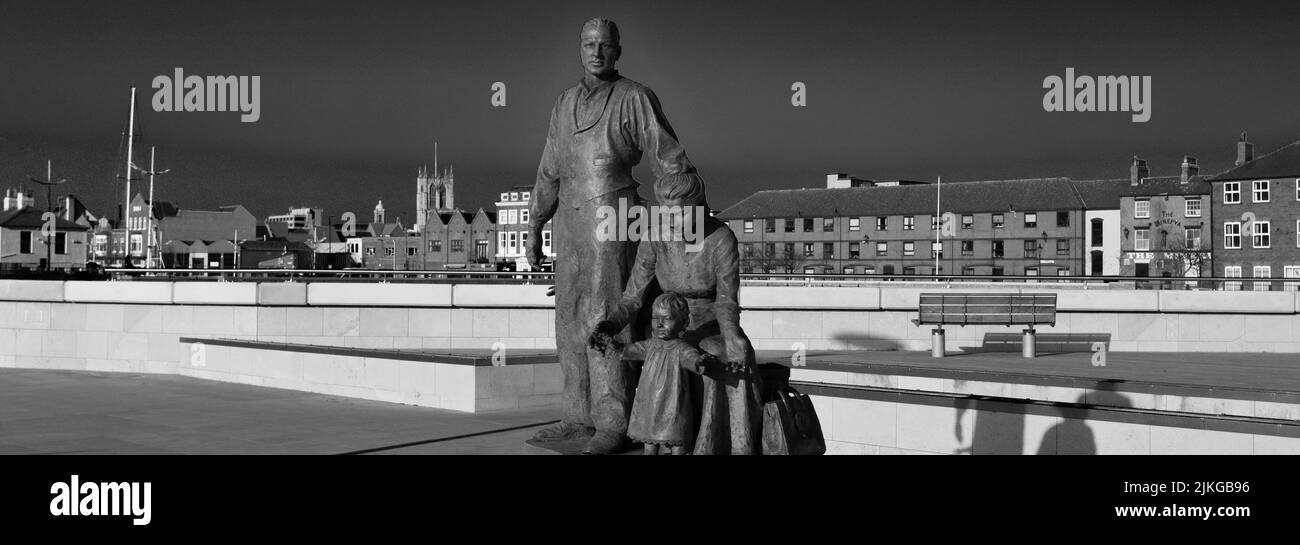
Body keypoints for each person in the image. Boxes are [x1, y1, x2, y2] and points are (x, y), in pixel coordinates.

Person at [526, 17, 697, 454]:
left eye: (605, 45)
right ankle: (576, 416)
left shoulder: (634, 97)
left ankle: (612, 421)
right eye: (588, 44)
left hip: (615, 219)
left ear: (617, 51)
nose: (596, 52)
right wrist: (535, 225)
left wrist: (682, 214)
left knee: (604, 318)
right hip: (571, 221)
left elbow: (669, 157)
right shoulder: (563, 103)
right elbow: (550, 169)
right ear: (579, 49)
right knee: (568, 321)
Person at [593, 172, 765, 455]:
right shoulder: (654, 238)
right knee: (667, 351)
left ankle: (723, 446)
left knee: (724, 352)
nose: (672, 223)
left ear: (699, 210)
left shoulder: (721, 238)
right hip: (668, 324)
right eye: (667, 215)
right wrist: (609, 325)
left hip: (711, 322)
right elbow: (633, 297)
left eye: (681, 215)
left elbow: (725, 299)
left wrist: (732, 335)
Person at [605, 293, 717, 455]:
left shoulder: (681, 348)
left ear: (683, 323)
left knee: (677, 443)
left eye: (667, 319)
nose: (659, 324)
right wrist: (613, 346)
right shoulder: (650, 345)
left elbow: (691, 358)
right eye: (655, 318)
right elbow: (629, 350)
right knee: (649, 445)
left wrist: (700, 361)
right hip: (649, 404)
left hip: (672, 404)